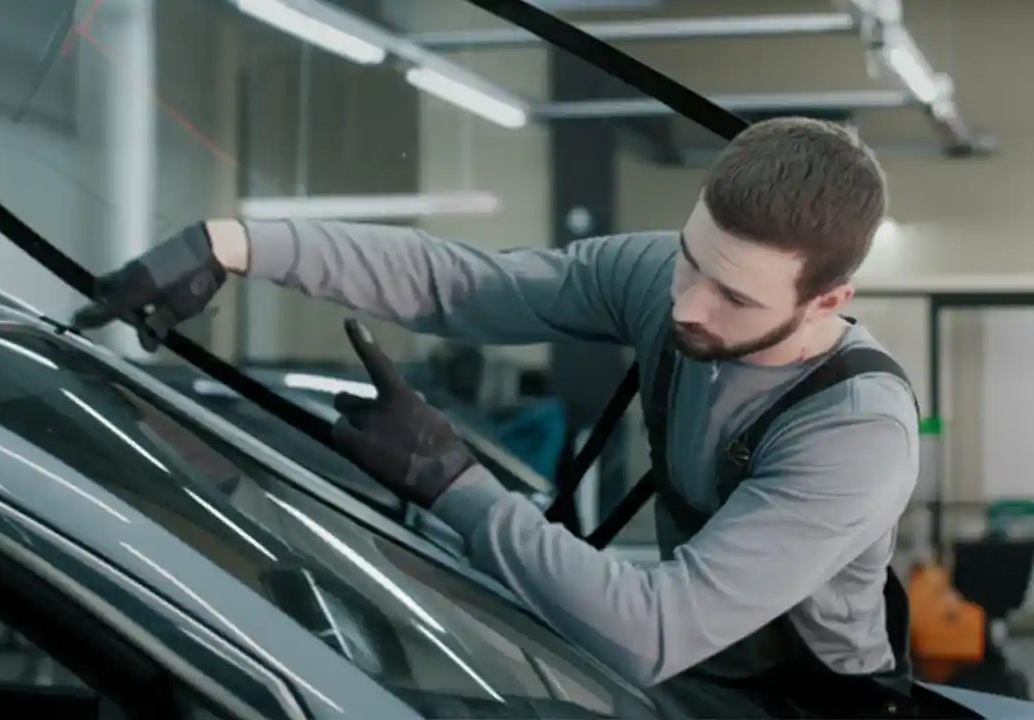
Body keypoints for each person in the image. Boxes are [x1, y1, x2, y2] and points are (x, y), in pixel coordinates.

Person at [72, 117, 920, 714]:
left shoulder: (854, 433)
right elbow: (459, 283)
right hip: (687, 677)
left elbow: (653, 630)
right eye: (690, 258)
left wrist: (451, 480)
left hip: (805, 704)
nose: (686, 304)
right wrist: (233, 244)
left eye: (732, 294)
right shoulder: (666, 279)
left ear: (828, 299)